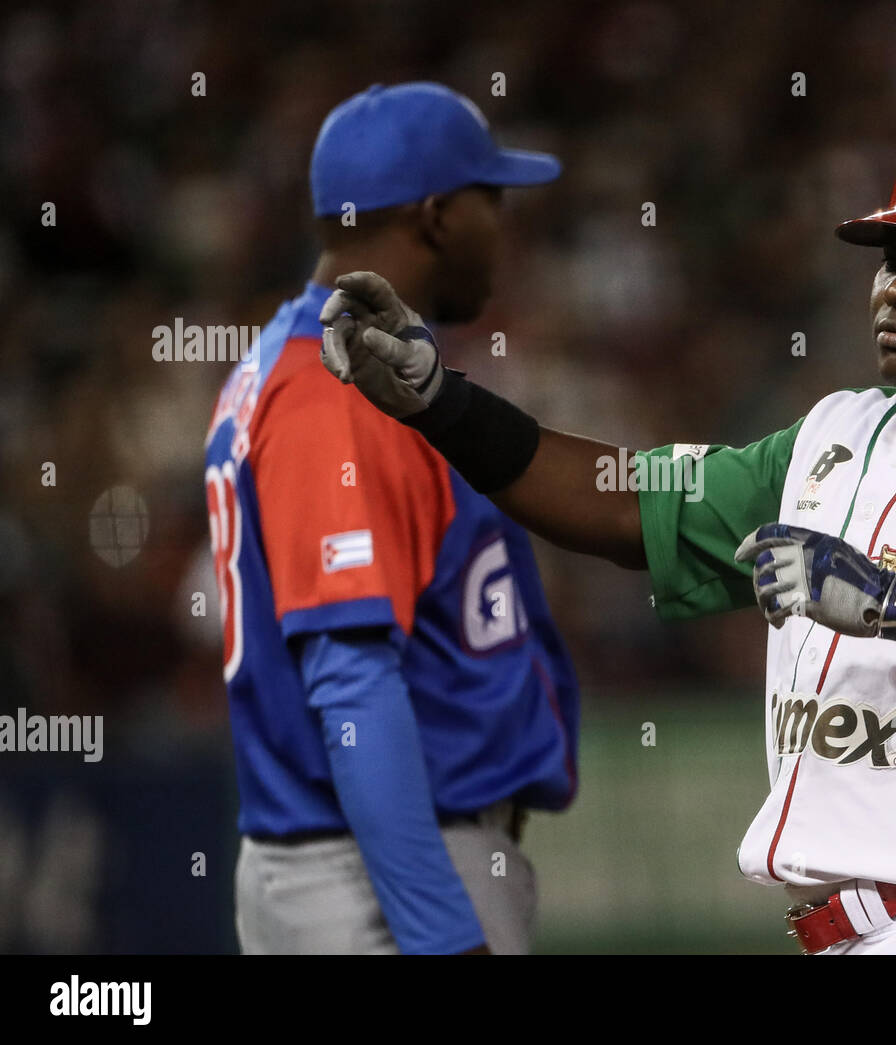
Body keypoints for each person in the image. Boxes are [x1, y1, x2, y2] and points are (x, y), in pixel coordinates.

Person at [318, 129, 896, 955]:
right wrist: (444, 402)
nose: (893, 286)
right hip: (871, 931)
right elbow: (628, 503)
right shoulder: (837, 433)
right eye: (890, 260)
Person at [203, 82, 579, 955]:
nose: (504, 224)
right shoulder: (334, 391)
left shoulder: (307, 362)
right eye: (493, 199)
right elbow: (352, 685)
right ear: (439, 215)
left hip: (372, 861)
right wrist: (444, 936)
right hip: (379, 879)